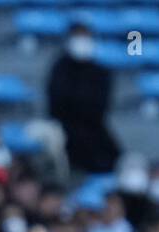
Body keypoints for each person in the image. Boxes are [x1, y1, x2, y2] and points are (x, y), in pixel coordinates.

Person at [46, 23, 120, 176]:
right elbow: (56, 103)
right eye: (78, 37)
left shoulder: (100, 71)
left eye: (85, 37)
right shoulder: (60, 68)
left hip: (95, 129)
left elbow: (101, 106)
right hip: (65, 128)